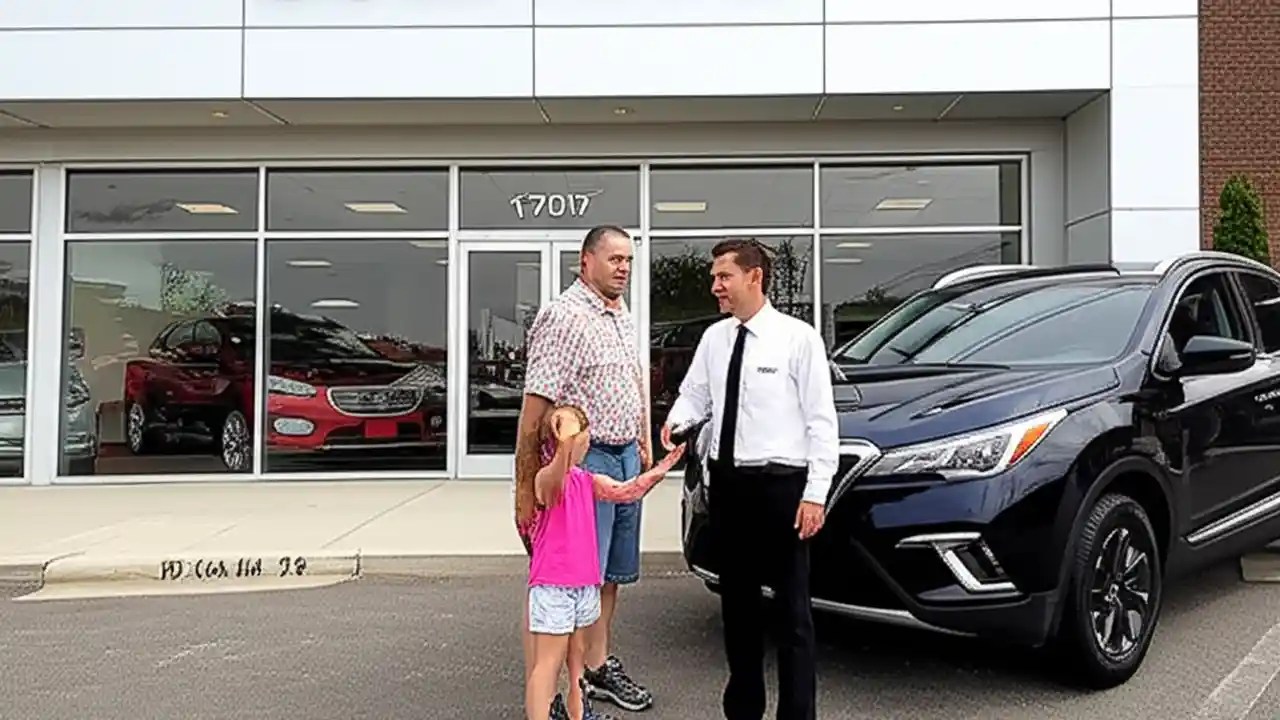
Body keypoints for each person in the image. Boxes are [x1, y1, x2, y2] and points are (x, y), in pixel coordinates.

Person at [659, 239, 838, 720]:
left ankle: (797, 714)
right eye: (715, 277)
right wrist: (676, 420)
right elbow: (696, 394)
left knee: (792, 616)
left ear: (754, 277)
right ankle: (742, 710)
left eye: (724, 276)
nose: (715, 286)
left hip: (781, 488)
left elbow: (822, 423)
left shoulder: (798, 339)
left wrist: (815, 494)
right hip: (729, 489)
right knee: (737, 613)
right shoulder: (716, 339)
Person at [514, 224, 656, 713]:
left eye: (629, 260)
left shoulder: (621, 316)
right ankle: (558, 696)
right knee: (573, 578)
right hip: (580, 468)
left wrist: (641, 436)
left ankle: (596, 669)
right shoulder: (564, 317)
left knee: (610, 575)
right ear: (586, 261)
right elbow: (535, 411)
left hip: (623, 455)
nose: (624, 268)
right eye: (615, 258)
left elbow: (632, 379)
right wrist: (524, 489)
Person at [523, 405, 685, 720]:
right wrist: (565, 438)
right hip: (554, 588)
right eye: (582, 439)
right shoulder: (545, 480)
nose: (587, 444)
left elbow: (625, 492)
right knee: (548, 663)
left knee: (576, 660)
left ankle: (578, 713)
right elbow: (557, 472)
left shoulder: (585, 480)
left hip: (584, 585)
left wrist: (660, 470)